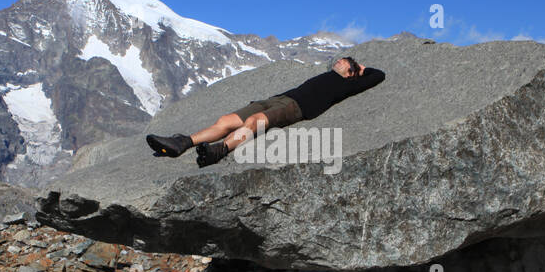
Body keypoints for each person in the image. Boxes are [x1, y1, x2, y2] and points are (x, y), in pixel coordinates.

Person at [146, 55, 386, 167]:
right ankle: (183, 142)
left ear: (352, 71)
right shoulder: (329, 74)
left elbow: (379, 75)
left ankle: (219, 150)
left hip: (296, 108)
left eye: (345, 62)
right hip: (278, 98)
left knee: (255, 120)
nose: (339, 61)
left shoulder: (349, 84)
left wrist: (362, 69)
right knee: (227, 119)